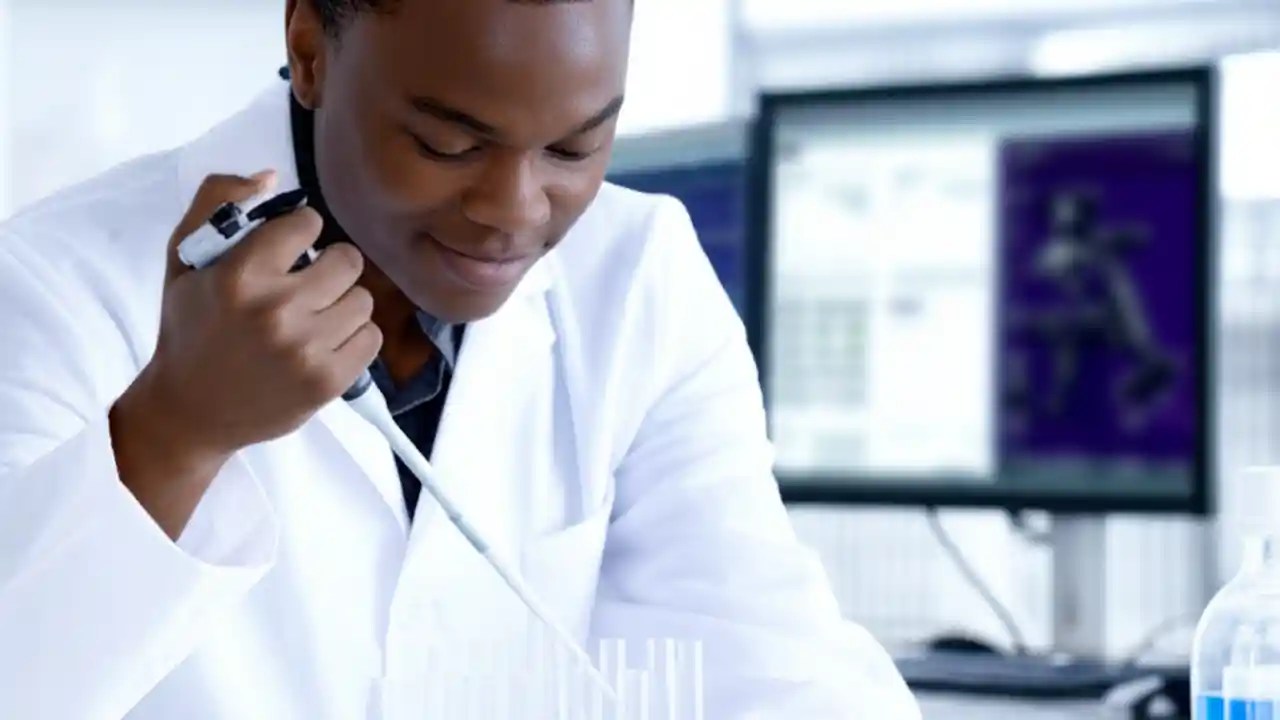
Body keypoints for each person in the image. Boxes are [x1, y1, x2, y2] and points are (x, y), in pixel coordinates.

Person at [0, 0, 919, 717]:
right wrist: (175, 430)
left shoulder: (640, 276)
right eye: (449, 142)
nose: (515, 209)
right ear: (310, 48)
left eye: (575, 146)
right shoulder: (52, 285)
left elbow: (763, 662)